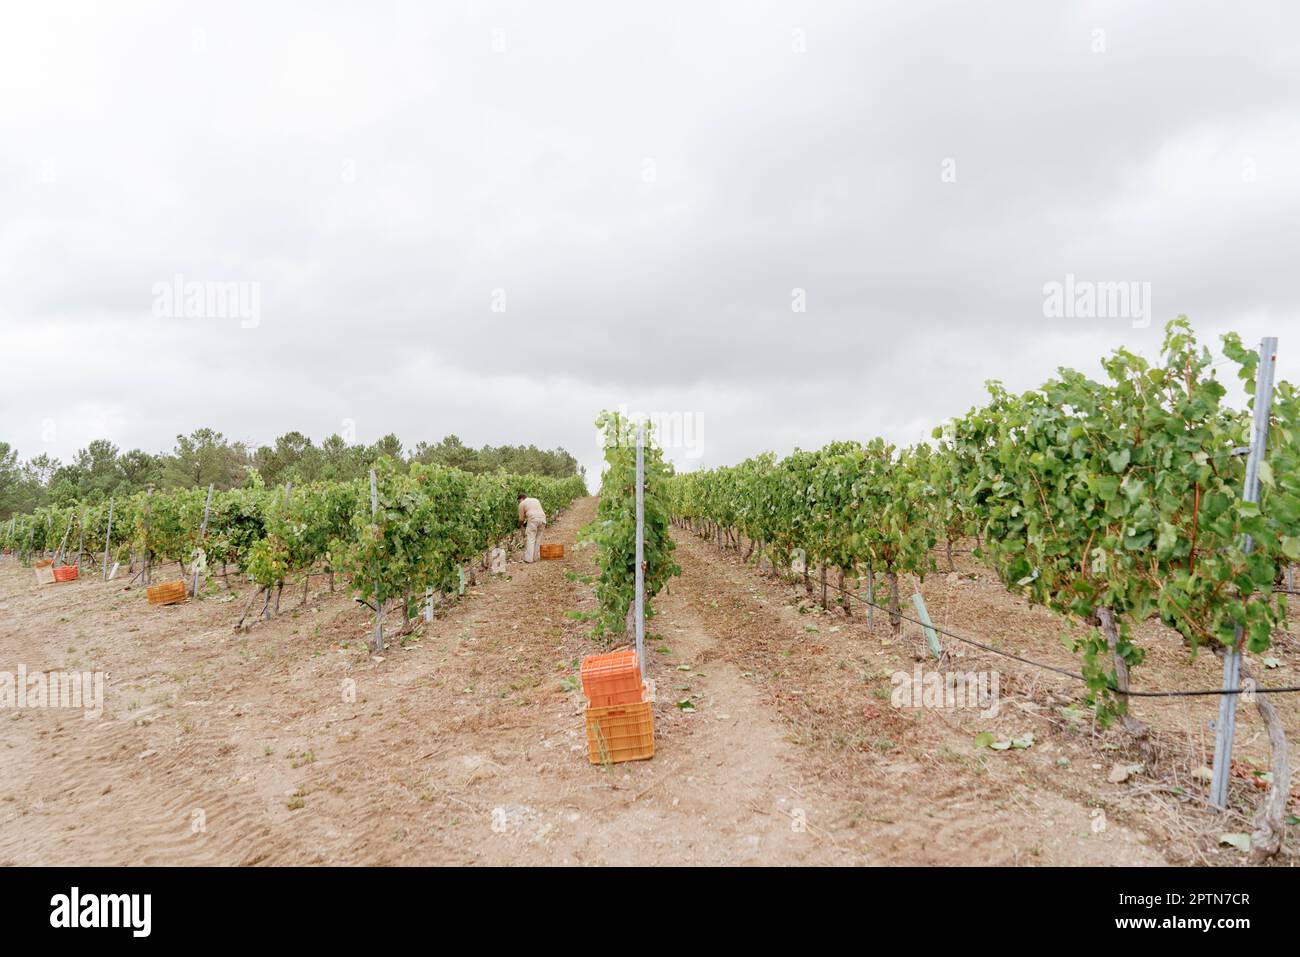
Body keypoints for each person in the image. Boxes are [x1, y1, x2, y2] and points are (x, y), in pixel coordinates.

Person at [517, 493, 547, 563]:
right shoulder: (535, 500)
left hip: (533, 519)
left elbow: (521, 519)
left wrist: (519, 525)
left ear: (521, 499)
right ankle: (535, 558)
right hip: (543, 519)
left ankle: (528, 559)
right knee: (538, 538)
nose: (518, 503)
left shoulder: (522, 504)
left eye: (518, 501)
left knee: (531, 538)